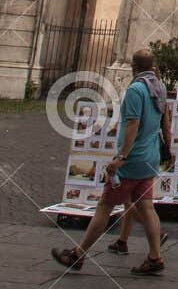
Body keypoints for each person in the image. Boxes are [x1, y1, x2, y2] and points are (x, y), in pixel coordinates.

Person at [51, 50, 171, 276]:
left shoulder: (136, 89)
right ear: (152, 66)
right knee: (146, 206)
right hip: (150, 157)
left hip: (133, 160)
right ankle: (155, 257)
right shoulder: (160, 87)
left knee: (105, 206)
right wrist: (169, 150)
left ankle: (77, 255)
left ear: (133, 67)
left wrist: (120, 158)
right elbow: (166, 121)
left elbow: (133, 124)